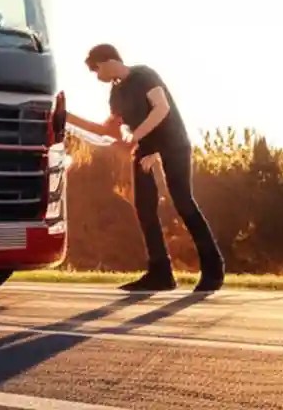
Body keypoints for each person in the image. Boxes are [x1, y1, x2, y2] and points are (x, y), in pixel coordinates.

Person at [66, 43, 225, 292]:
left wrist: (137, 137)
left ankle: (214, 269)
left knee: (183, 201)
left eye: (96, 70)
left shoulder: (143, 75)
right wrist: (67, 117)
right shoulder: (115, 94)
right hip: (146, 148)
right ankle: (161, 273)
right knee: (144, 207)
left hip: (173, 144)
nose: (97, 77)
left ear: (108, 61)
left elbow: (162, 108)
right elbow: (107, 130)